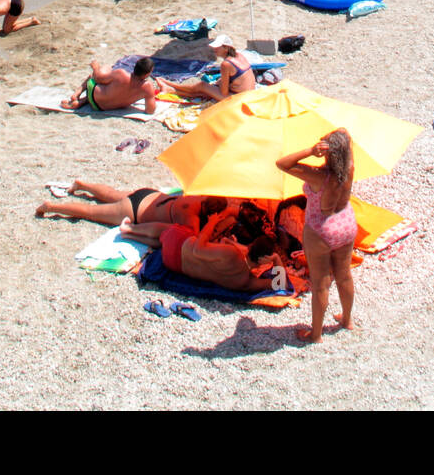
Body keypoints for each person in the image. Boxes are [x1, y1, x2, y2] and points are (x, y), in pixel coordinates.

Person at [277, 131, 357, 343]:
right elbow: (346, 137)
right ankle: (346, 320)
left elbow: (282, 163)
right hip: (346, 223)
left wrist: (310, 151)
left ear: (329, 152)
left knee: (321, 283)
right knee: (344, 275)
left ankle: (316, 334)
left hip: (321, 228)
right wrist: (336, 144)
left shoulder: (318, 176)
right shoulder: (350, 168)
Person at [125, 208, 297, 293]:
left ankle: (130, 230)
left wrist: (212, 222)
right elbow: (281, 284)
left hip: (178, 246)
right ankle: (130, 234)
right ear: (264, 261)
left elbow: (198, 250)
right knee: (162, 243)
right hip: (174, 264)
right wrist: (276, 260)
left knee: (172, 231)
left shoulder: (231, 255)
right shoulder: (245, 281)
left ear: (251, 246)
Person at [35, 184, 223, 228]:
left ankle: (82, 185)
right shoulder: (191, 220)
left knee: (112, 194)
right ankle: (51, 207)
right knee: (90, 212)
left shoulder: (197, 194)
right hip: (134, 212)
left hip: (151, 194)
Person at [160, 36, 256, 102]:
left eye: (217, 48)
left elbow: (224, 92)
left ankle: (171, 85)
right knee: (207, 90)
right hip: (249, 94)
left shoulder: (226, 64)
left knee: (203, 86)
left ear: (226, 48)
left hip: (238, 99)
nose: (214, 50)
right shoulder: (239, 55)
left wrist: (217, 85)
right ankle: (171, 90)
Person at [63, 55, 160, 113]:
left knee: (102, 71)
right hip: (103, 108)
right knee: (113, 91)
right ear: (147, 73)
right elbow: (150, 110)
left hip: (94, 96)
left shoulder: (121, 74)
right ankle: (82, 101)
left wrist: (96, 67)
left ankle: (77, 94)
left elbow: (98, 77)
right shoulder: (147, 87)